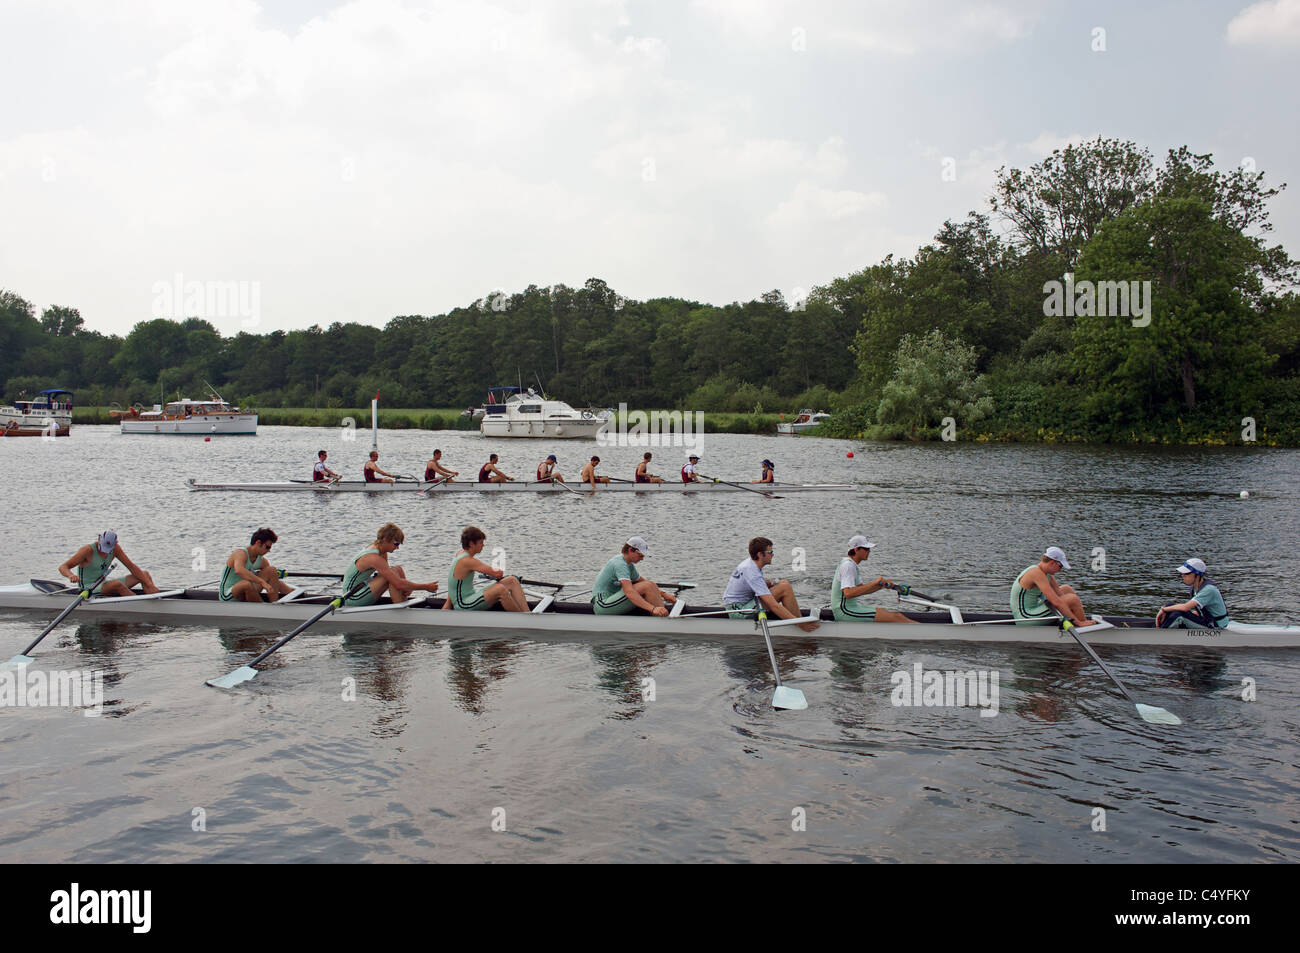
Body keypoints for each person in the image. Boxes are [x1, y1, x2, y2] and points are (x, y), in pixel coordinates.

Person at [722, 537, 819, 632]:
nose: (773, 555)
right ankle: (802, 625)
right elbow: (773, 606)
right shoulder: (752, 572)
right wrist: (801, 625)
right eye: (770, 552)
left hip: (743, 604)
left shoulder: (751, 563)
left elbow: (759, 583)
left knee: (784, 584)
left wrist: (773, 583)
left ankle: (799, 620)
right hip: (737, 611)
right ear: (760, 554)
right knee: (784, 588)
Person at [342, 523, 439, 606]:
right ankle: (400, 613)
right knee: (392, 579)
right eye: (396, 544)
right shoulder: (373, 557)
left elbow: (394, 579)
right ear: (385, 539)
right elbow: (397, 584)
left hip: (361, 588)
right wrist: (426, 587)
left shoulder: (382, 552)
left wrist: (408, 588)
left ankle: (402, 603)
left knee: (398, 569)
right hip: (351, 597)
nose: (397, 548)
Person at [831, 536, 916, 623]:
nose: (869, 551)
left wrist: (881, 586)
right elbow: (848, 593)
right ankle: (925, 634)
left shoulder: (852, 565)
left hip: (851, 608)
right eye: (866, 549)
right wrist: (874, 582)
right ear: (856, 550)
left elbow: (861, 590)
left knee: (894, 615)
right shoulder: (848, 566)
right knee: (897, 617)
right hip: (845, 611)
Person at [445, 526, 529, 611]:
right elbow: (498, 574)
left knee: (512, 580)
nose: (483, 545)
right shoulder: (468, 561)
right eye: (481, 542)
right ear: (471, 544)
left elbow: (453, 585)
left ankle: (527, 614)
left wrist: (447, 606)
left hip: (470, 597)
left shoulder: (460, 554)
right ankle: (521, 621)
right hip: (463, 605)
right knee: (500, 589)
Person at [1010, 546, 1096, 626]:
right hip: (1025, 618)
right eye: (1060, 566)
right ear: (1052, 563)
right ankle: (1082, 625)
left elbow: (1060, 594)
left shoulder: (1045, 573)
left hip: (1033, 610)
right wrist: (1078, 622)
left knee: (1067, 589)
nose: (1060, 570)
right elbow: (1056, 602)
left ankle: (1075, 621)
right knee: (1072, 599)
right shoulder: (1036, 573)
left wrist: (1070, 610)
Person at [58, 531, 160, 597]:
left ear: (115, 544)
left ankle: (156, 601)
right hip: (88, 587)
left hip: (102, 583)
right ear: (99, 539)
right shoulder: (87, 550)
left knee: (144, 575)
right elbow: (63, 567)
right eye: (103, 548)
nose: (106, 552)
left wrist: (148, 584)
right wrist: (71, 575)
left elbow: (131, 566)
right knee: (117, 585)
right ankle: (140, 605)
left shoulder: (116, 548)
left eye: (109, 549)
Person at [592, 537, 676, 616]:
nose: (642, 559)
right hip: (603, 605)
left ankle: (661, 616)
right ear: (630, 550)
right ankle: (662, 620)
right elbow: (629, 592)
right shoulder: (620, 564)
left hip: (613, 600)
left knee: (650, 584)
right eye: (641, 555)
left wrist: (664, 594)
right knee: (647, 586)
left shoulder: (629, 565)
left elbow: (643, 582)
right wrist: (653, 609)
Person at [220, 528, 295, 602]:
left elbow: (273, 580)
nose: (269, 551)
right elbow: (239, 571)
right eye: (267, 547)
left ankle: (274, 605)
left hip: (246, 591)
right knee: (246, 584)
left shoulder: (262, 561)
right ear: (258, 543)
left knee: (272, 570)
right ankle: (263, 609)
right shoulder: (240, 554)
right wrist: (262, 582)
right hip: (228, 594)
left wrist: (291, 592)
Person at [1156, 558, 1231, 628]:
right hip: (1208, 619)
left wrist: (1163, 610)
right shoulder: (1195, 588)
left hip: (1216, 625)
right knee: (1170, 605)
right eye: (1182, 573)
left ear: (1197, 575)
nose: (1182, 575)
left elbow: (1185, 607)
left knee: (1178, 614)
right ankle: (1160, 627)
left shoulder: (1208, 590)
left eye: (1186, 573)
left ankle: (1159, 634)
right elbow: (1202, 610)